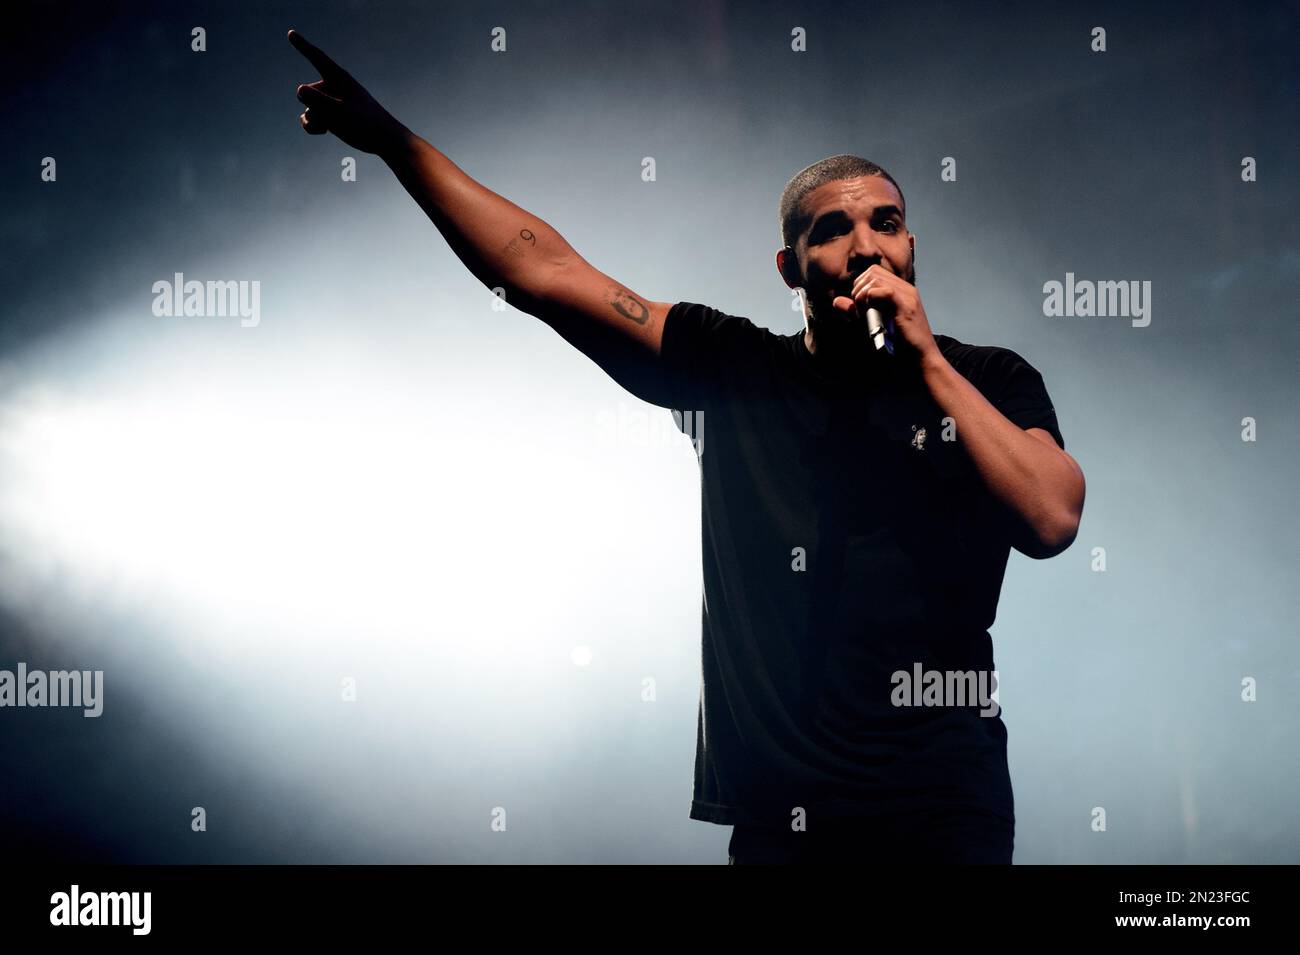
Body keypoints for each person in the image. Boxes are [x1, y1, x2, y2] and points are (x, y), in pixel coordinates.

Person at [288, 30, 1086, 865]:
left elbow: (1052, 518)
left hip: (944, 810)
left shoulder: (988, 377)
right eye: (832, 230)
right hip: (783, 820)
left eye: (886, 224)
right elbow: (545, 271)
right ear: (790, 268)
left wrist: (927, 364)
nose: (865, 248)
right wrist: (395, 143)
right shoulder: (735, 368)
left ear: (911, 247)